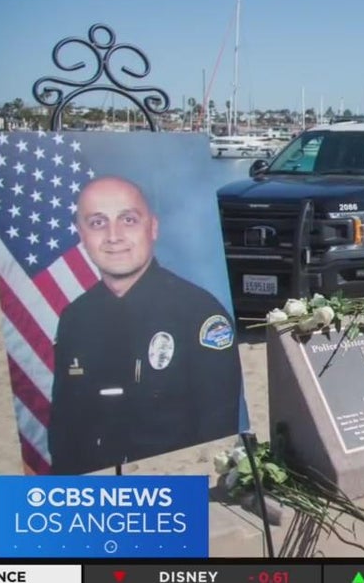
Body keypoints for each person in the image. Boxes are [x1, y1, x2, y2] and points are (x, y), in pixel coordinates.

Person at [48, 175, 244, 475]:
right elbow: (64, 427)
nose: (113, 236)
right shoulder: (75, 318)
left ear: (152, 227)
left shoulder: (199, 314)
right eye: (98, 223)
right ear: (81, 235)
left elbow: (218, 430)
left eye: (128, 220)